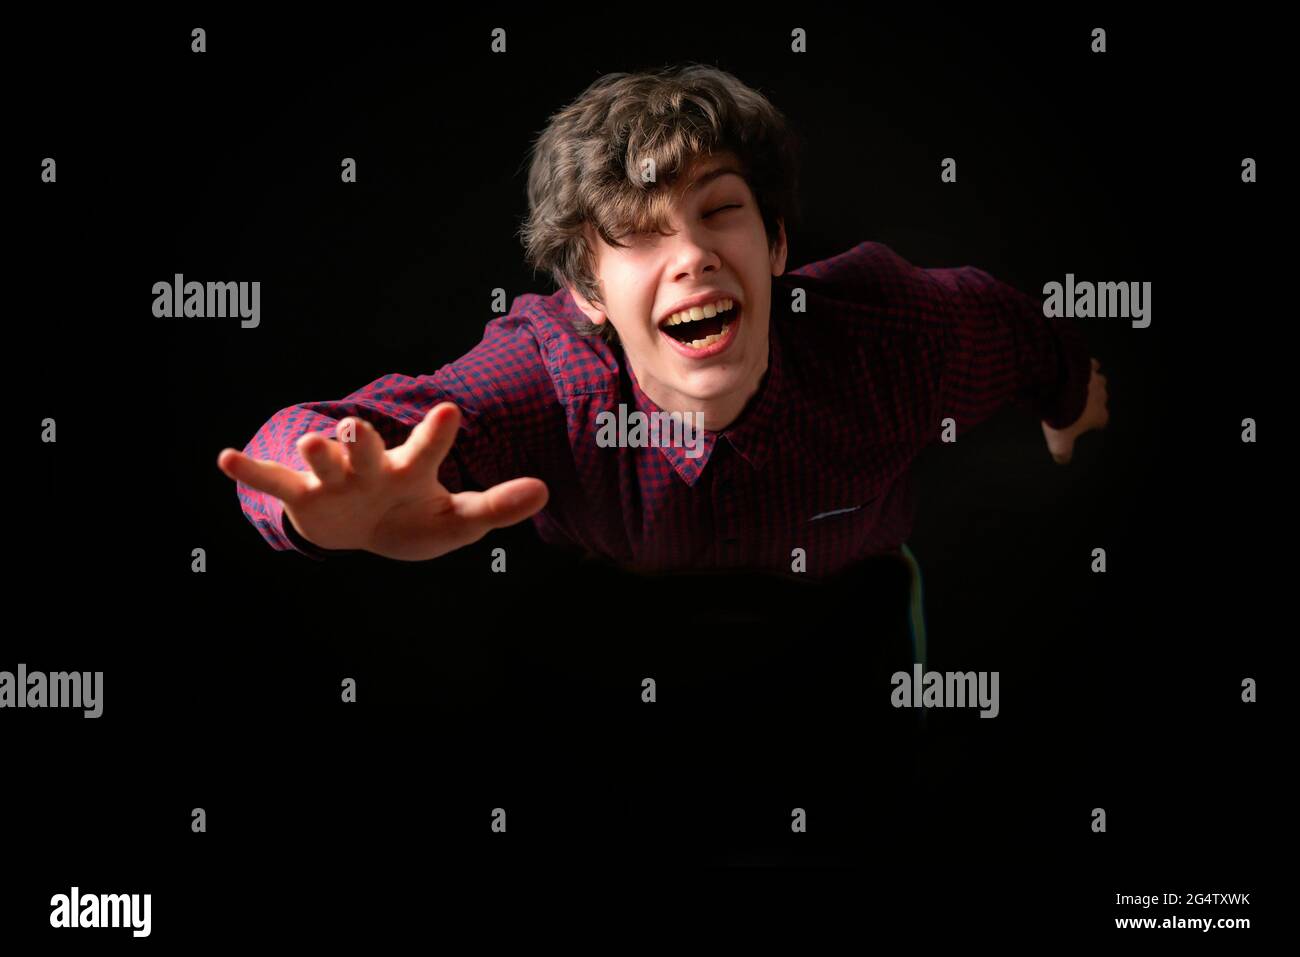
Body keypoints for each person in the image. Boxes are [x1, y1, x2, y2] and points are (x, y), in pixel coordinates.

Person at [216, 63, 1109, 582]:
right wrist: (319, 499)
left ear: (777, 243)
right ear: (590, 295)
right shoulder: (548, 377)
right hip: (610, 647)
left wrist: (1071, 413)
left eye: (719, 212)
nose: (691, 256)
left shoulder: (897, 336)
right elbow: (332, 438)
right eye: (641, 236)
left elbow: (1029, 332)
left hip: (845, 636)